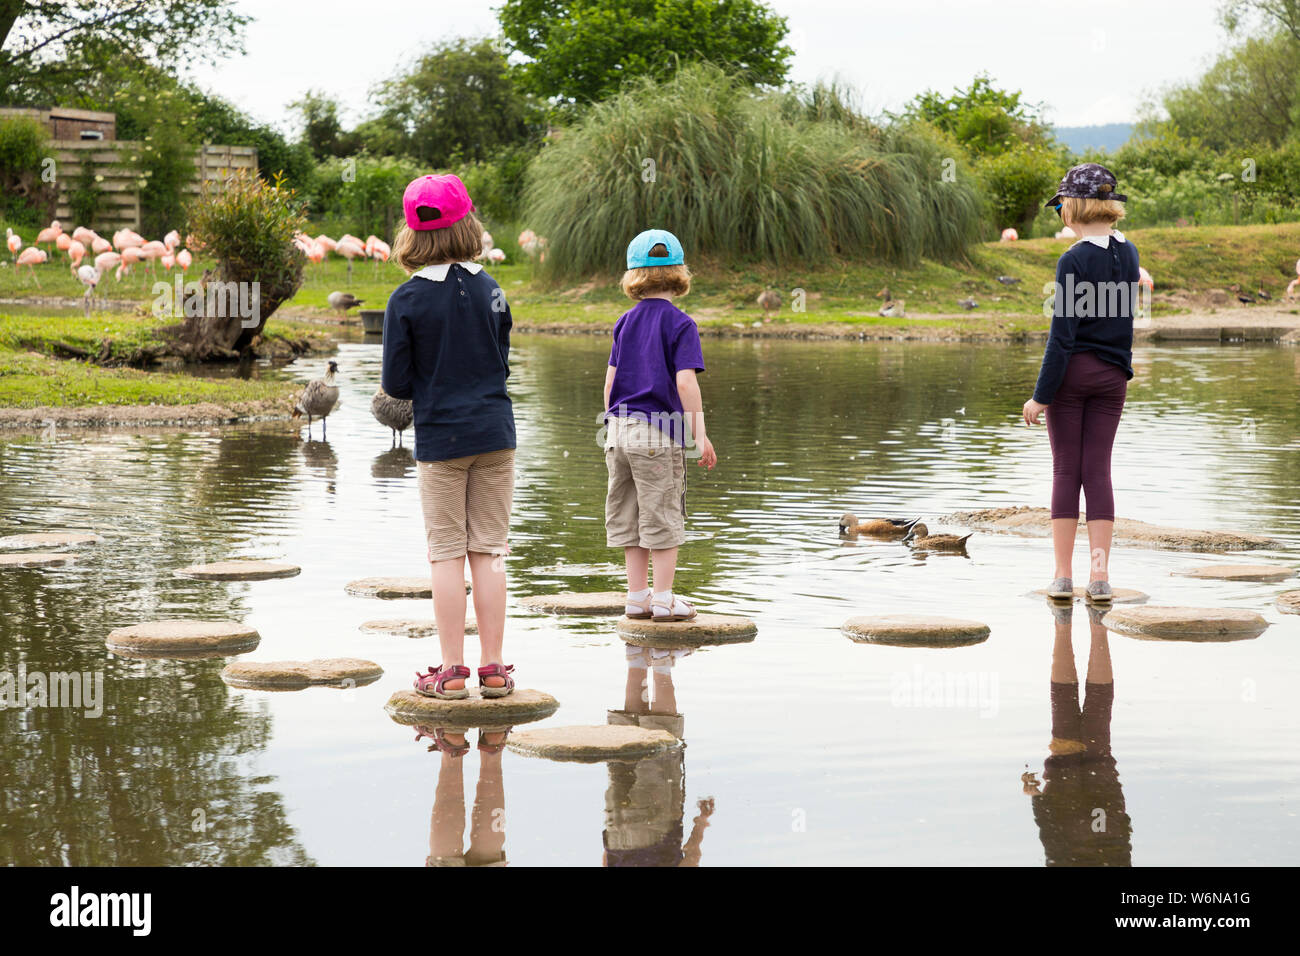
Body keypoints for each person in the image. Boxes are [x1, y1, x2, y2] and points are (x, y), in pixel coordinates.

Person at [382, 173, 516, 699]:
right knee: (489, 550)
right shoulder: (493, 289)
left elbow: (395, 384)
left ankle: (452, 672)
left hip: (441, 441)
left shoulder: (405, 299)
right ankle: (495, 668)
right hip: (496, 433)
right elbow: (500, 362)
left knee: (445, 554)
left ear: (412, 234)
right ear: (468, 223)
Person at [1022, 163, 1139, 604]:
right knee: (1099, 470)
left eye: (1060, 208)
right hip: (1113, 377)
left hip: (1074, 377)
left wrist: (1040, 396)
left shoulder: (1072, 259)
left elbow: (1062, 335)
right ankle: (1101, 576)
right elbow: (1123, 320)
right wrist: (1120, 365)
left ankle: (1062, 576)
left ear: (1070, 209)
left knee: (1067, 470)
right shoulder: (1129, 253)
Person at [603, 229, 717, 623]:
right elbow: (685, 383)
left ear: (633, 276)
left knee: (630, 514)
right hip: (658, 432)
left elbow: (609, 383)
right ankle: (665, 600)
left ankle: (637, 597)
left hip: (617, 431)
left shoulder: (624, 322)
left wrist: (614, 426)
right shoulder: (681, 324)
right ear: (680, 273)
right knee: (664, 514)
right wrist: (698, 436)